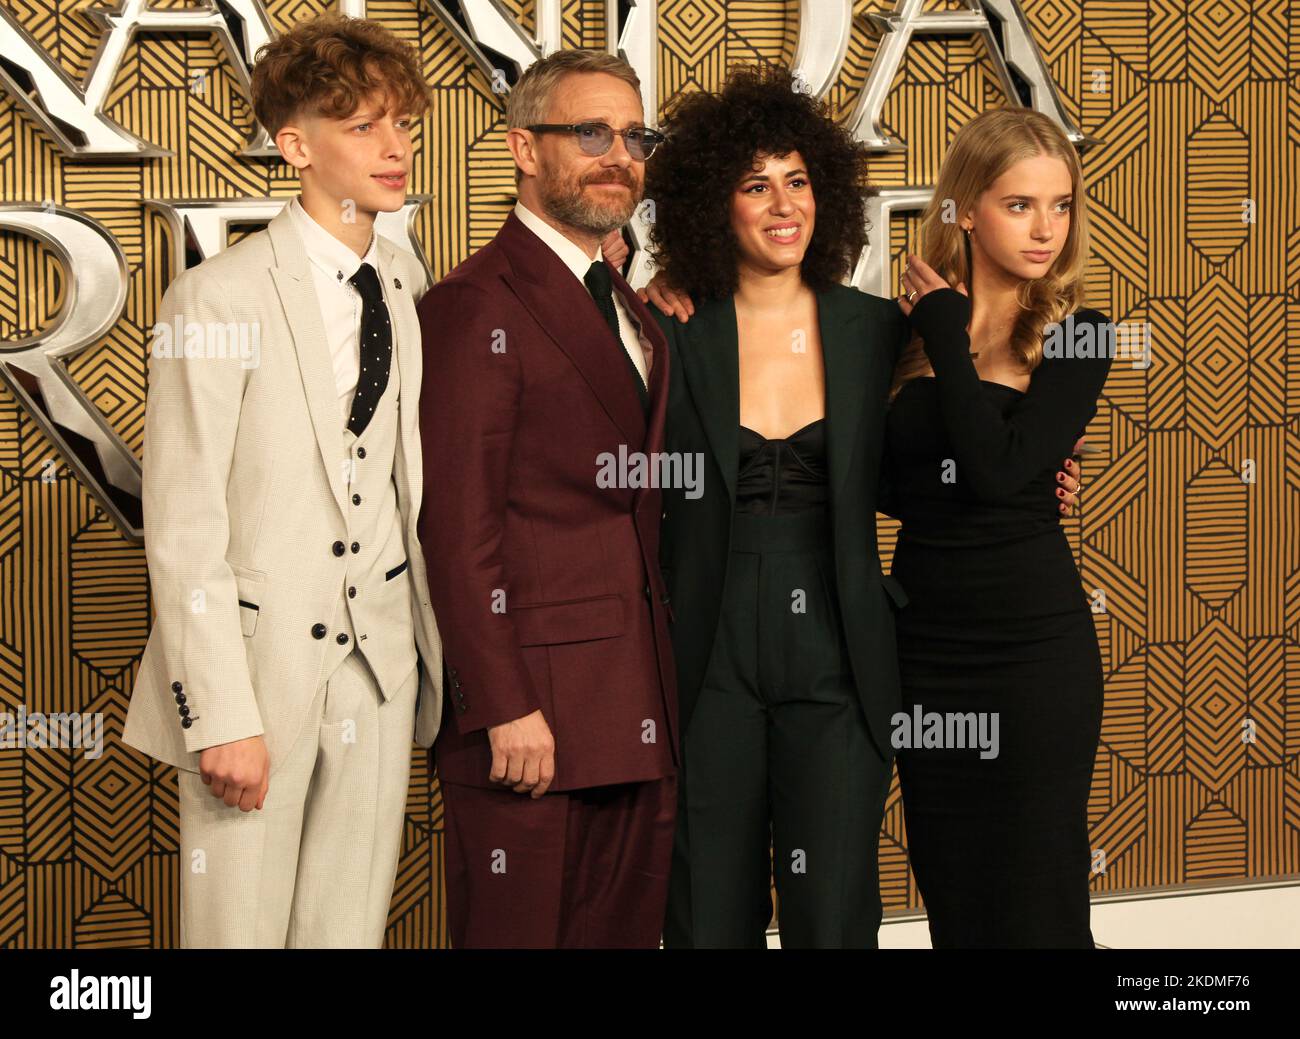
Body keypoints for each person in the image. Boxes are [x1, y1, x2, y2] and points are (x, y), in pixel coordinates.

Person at [632, 70, 1085, 947]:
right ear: (709, 202)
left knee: (835, 906)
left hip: (844, 647)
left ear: (827, 194)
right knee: (706, 908)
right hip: (704, 649)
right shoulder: (667, 329)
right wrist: (643, 297)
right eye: (755, 184)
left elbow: (957, 447)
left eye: (798, 180)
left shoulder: (884, 331)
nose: (782, 204)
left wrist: (1044, 477)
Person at [123, 13, 444, 946]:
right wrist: (220, 715)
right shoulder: (212, 298)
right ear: (295, 145)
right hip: (254, 683)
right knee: (237, 935)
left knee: (345, 935)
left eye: (403, 124)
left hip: (379, 670)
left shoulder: (405, 282)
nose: (395, 147)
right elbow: (182, 531)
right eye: (364, 126)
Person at [415, 49, 677, 948]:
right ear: (525, 148)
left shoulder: (632, 307)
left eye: (634, 136)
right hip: (532, 718)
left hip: (637, 700)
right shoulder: (473, 303)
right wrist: (501, 702)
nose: (620, 156)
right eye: (591, 133)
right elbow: (454, 524)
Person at [888, 106, 1113, 947]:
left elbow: (996, 473)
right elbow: (886, 480)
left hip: (1031, 658)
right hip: (927, 653)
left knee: (1037, 898)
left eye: (1061, 204)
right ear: (966, 208)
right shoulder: (900, 338)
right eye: (1021, 204)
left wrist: (945, 329)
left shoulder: (1079, 336)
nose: (1047, 228)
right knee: (956, 894)